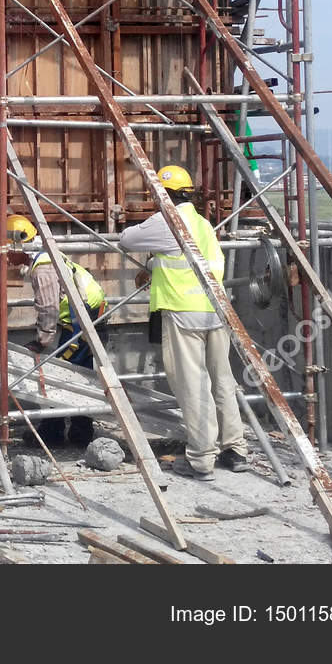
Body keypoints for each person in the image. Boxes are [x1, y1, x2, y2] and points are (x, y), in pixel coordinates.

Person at [117, 164, 250, 481]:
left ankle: (202, 459)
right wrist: (153, 264)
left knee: (193, 385)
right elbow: (186, 258)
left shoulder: (167, 220)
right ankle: (235, 449)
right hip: (215, 311)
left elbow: (126, 239)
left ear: (163, 194)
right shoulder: (202, 223)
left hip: (182, 312)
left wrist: (151, 254)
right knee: (222, 381)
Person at [6, 215, 107, 368]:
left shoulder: (43, 270)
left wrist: (41, 342)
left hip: (83, 318)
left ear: (19, 247)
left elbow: (49, 308)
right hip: (86, 313)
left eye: (7, 249)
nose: (5, 255)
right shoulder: (46, 253)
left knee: (67, 373)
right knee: (82, 372)